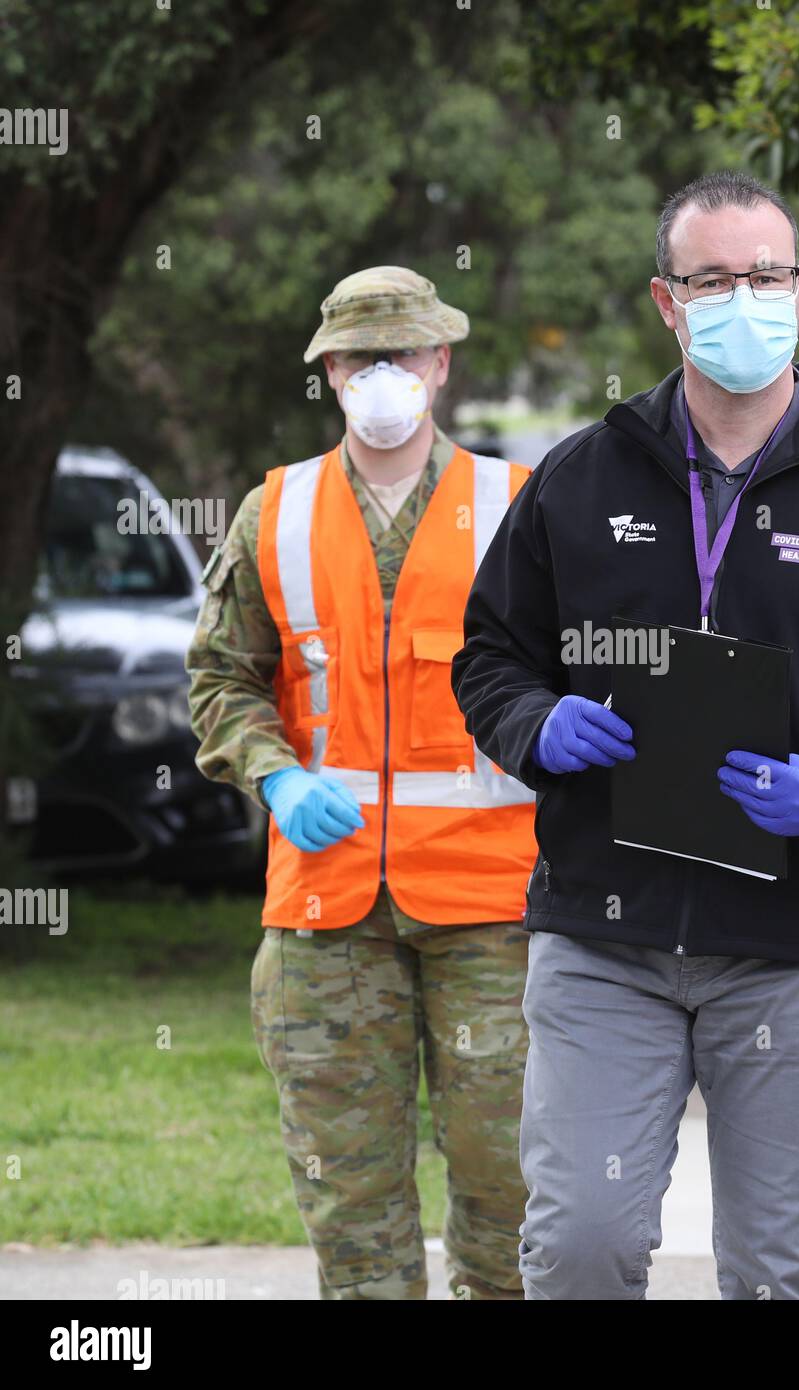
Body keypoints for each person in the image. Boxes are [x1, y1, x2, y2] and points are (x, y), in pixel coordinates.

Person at [452, 171, 799, 1300]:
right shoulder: (578, 474)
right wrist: (534, 723)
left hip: (795, 940)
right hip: (605, 936)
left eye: (766, 274)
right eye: (714, 279)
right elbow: (488, 657)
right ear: (667, 301)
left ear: (797, 287)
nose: (743, 297)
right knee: (579, 1248)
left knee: (779, 1272)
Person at [187, 266, 537, 1300]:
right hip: (325, 908)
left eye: (404, 354)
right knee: (351, 1203)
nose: (383, 374)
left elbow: (577, 681)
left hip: (492, 911)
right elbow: (222, 678)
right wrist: (276, 774)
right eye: (359, 358)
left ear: (440, 362)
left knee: (511, 1186)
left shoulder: (514, 506)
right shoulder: (274, 511)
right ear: (329, 373)